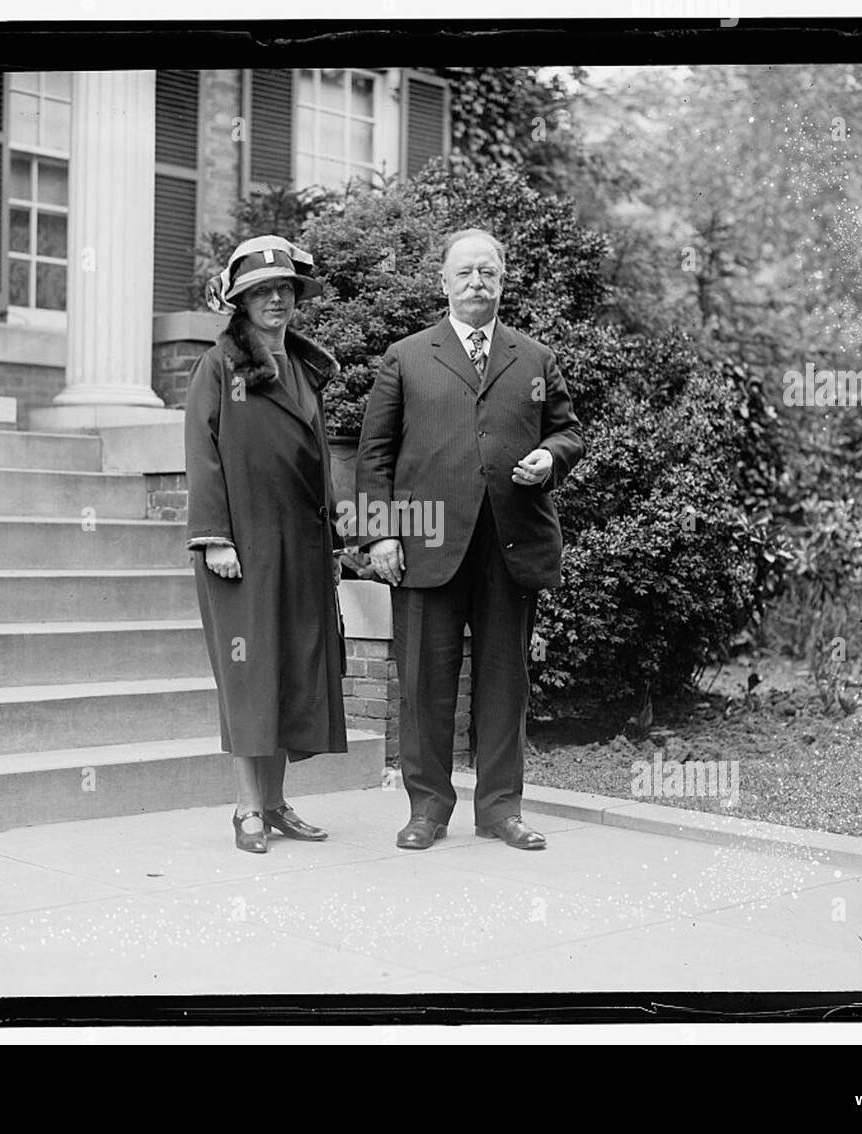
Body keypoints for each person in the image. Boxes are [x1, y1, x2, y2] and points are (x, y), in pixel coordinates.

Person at [356, 228, 584, 851]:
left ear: (503, 280)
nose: (476, 283)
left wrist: (548, 456)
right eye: (465, 273)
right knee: (424, 681)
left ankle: (500, 810)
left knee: (505, 681)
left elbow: (568, 434)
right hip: (426, 538)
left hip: (510, 543)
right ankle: (427, 809)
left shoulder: (534, 359)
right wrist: (380, 538)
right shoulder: (405, 357)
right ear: (444, 283)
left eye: (488, 272)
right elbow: (373, 456)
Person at [185, 235, 347, 854]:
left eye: (284, 289)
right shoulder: (219, 366)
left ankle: (276, 805)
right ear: (241, 302)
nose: (275, 299)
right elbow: (202, 455)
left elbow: (320, 463)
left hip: (302, 548)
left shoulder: (306, 371)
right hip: (242, 549)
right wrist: (214, 537)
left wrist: (333, 536)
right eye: (261, 291)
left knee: (291, 671)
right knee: (249, 674)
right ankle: (246, 809)